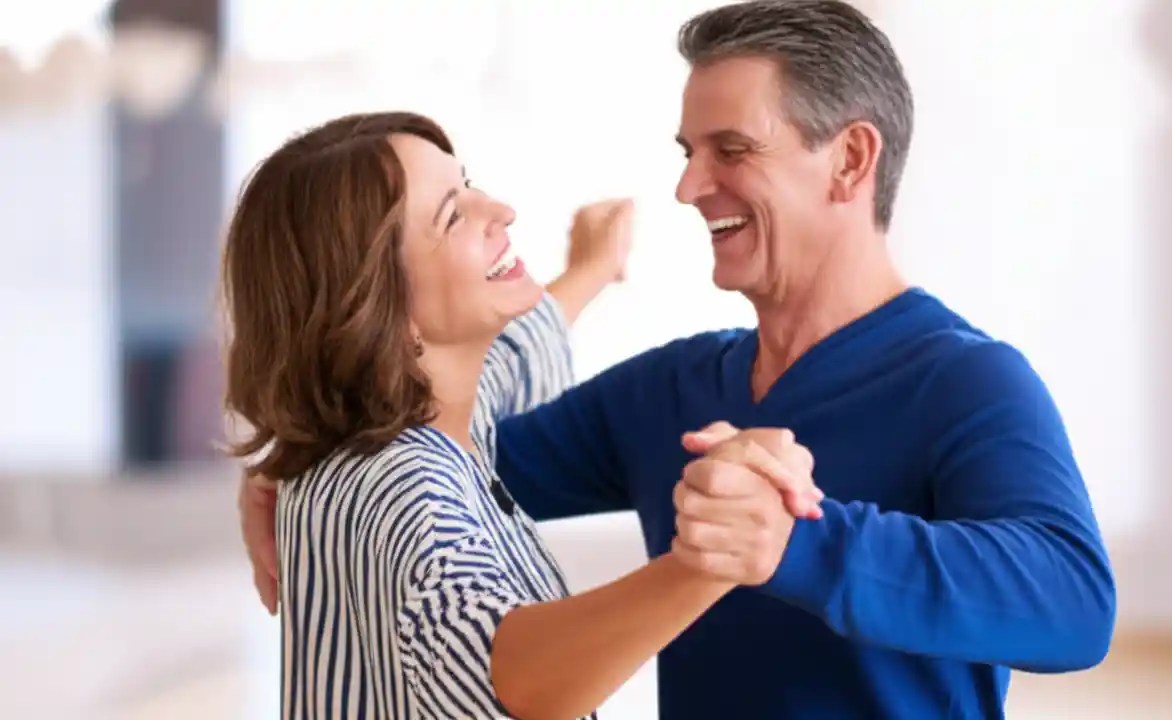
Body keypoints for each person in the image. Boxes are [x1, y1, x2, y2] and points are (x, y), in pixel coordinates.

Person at [240, 2, 1117, 718]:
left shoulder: (967, 381)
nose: (690, 187)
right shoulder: (674, 388)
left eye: (731, 151)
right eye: (689, 154)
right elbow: (457, 447)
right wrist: (299, 452)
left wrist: (794, 545)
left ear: (850, 160)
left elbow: (1074, 606)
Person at [220, 111, 821, 719]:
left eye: (469, 183)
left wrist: (591, 269)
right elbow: (509, 671)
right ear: (376, 306)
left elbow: (513, 354)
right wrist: (714, 556)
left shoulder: (421, 421)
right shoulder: (407, 485)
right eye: (452, 215)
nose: (499, 210)